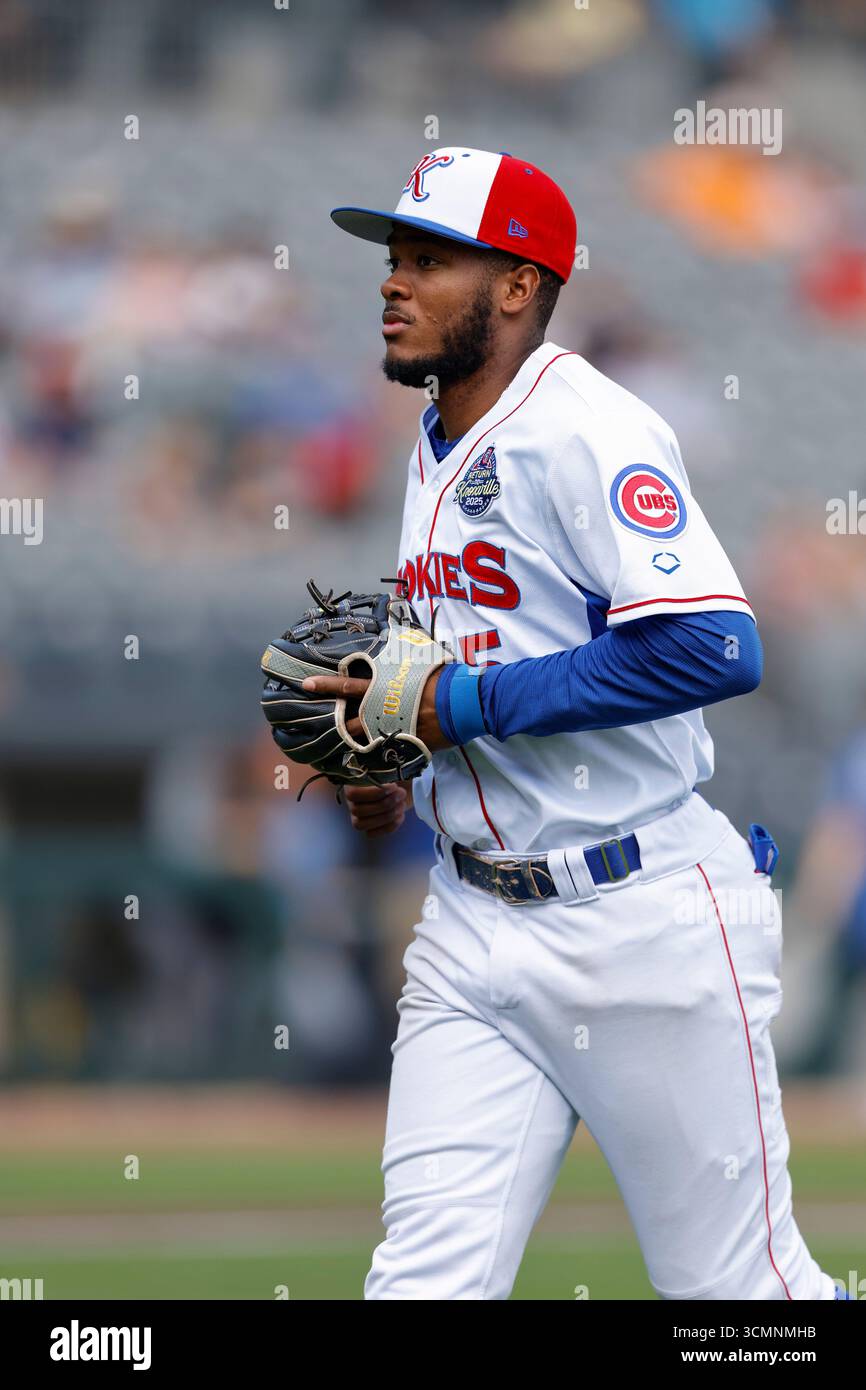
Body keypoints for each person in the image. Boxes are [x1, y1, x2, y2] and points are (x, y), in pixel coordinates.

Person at [300, 147, 844, 1299]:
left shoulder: (585, 426)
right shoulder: (439, 433)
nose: (393, 283)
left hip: (636, 917)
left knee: (739, 1296)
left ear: (515, 285)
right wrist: (399, 761)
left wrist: (463, 707)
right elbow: (467, 660)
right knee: (420, 1286)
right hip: (467, 921)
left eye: (430, 259)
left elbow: (714, 646)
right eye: (392, 259)